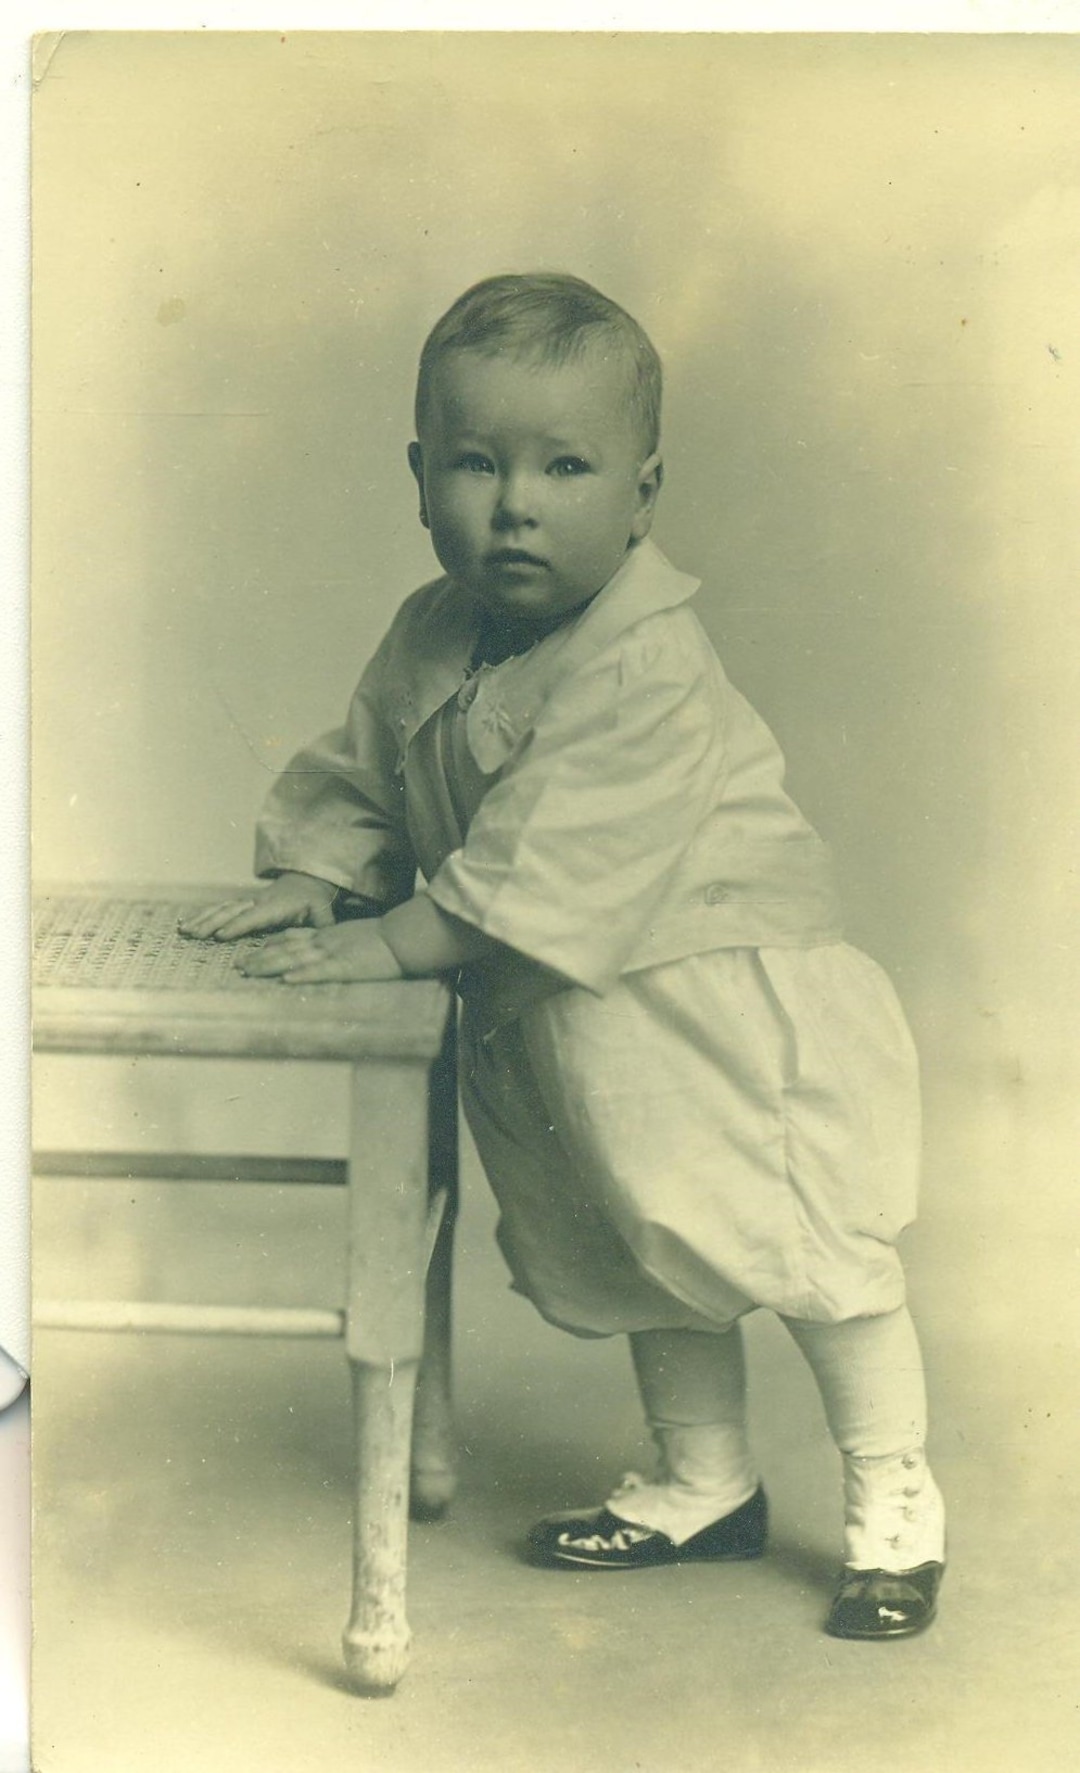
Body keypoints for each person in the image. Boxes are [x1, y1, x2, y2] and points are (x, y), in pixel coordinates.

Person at [181, 272, 945, 1639]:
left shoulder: (646, 659)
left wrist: (398, 939)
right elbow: (368, 766)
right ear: (421, 479)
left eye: (566, 464)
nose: (516, 501)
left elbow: (552, 846)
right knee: (641, 1237)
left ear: (643, 495)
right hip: (576, 1013)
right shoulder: (431, 631)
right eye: (477, 462)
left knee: (800, 1243)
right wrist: (318, 873)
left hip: (716, 1001)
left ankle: (894, 1493)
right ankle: (706, 1477)